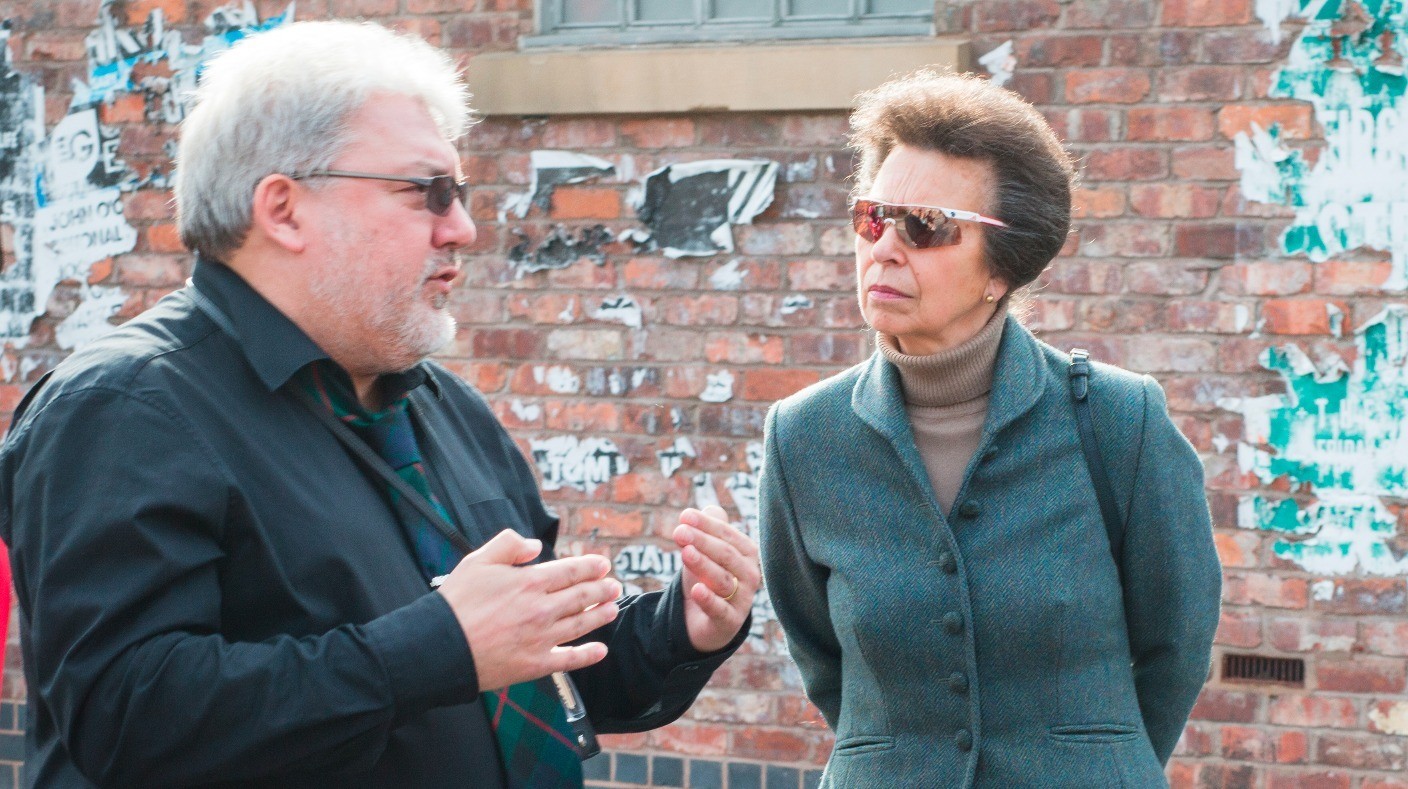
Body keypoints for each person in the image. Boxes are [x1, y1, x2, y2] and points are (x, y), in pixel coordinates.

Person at [0, 21, 761, 788]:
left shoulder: (442, 408)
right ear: (284, 209)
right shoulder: (124, 407)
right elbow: (128, 718)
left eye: (459, 195)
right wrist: (438, 648)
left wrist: (679, 629)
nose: (462, 228)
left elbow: (541, 674)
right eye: (426, 192)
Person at [757, 71, 1221, 788]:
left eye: (927, 226)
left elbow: (1177, 643)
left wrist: (1103, 764)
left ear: (1001, 269)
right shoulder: (804, 437)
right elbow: (824, 660)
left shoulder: (1119, 422)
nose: (884, 248)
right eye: (873, 217)